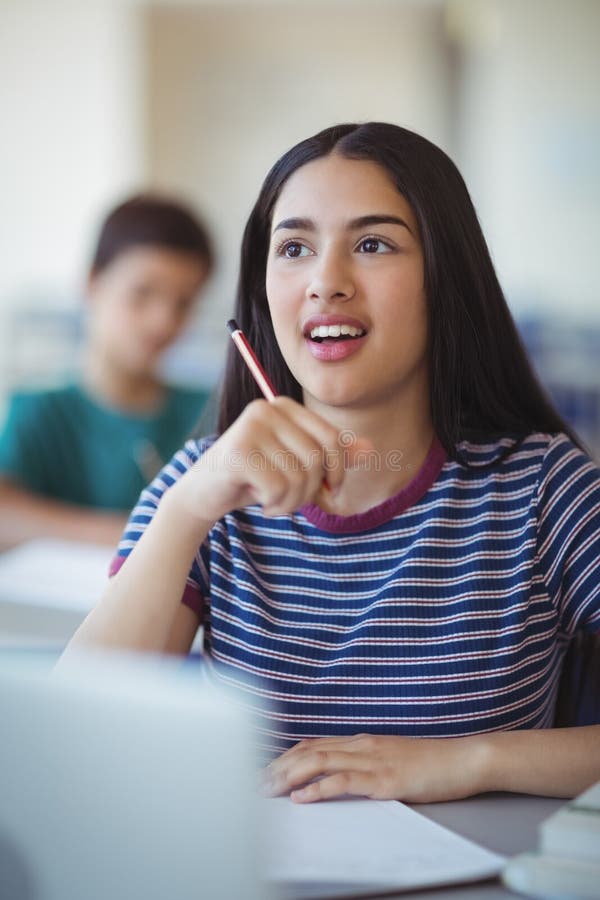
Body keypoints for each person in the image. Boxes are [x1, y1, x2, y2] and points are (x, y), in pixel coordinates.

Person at [60, 123, 600, 805]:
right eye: (293, 248)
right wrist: (187, 510)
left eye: (372, 244)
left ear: (444, 274)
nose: (326, 282)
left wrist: (469, 761)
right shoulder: (205, 484)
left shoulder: (546, 489)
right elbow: (76, 735)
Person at [0, 194, 214, 549]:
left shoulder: (210, 410)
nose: (164, 321)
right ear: (92, 283)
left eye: (184, 302)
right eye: (143, 293)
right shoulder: (39, 412)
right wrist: (139, 535)